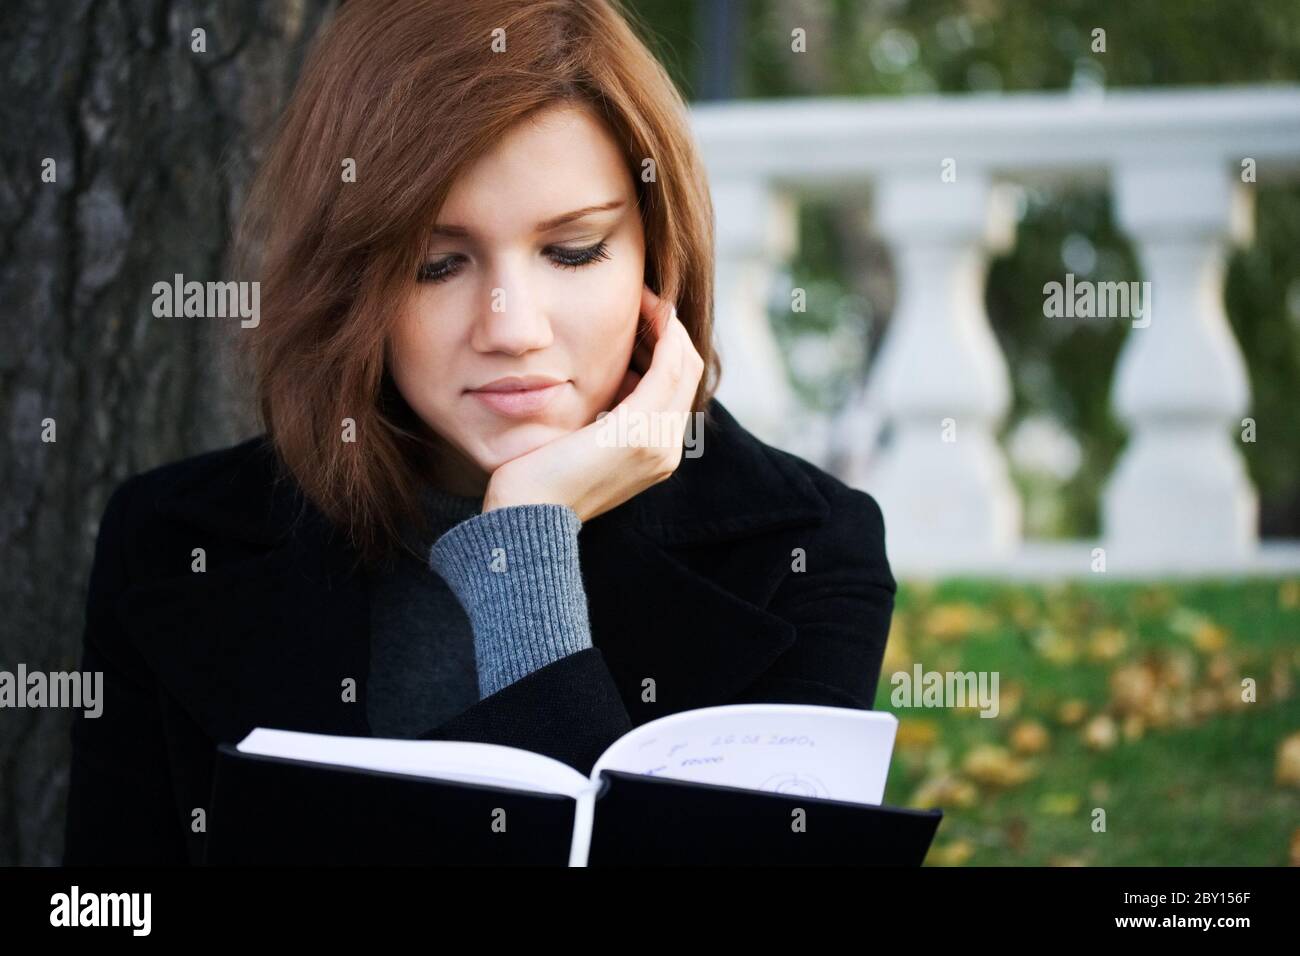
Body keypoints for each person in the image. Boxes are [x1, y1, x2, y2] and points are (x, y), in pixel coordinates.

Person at [63, 0, 896, 865]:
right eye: (437, 263)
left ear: (657, 255)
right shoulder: (172, 540)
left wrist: (521, 551)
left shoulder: (803, 554)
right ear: (350, 276)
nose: (512, 328)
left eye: (572, 251)